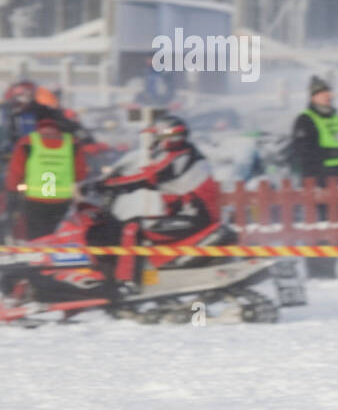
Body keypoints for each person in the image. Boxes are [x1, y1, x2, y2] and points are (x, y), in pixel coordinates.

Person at [85, 114, 221, 293]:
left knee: (132, 228)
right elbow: (148, 175)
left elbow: (148, 176)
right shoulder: (185, 153)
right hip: (191, 212)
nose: (155, 141)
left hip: (195, 215)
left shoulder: (180, 156)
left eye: (157, 136)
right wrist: (115, 182)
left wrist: (107, 184)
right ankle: (145, 274)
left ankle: (127, 282)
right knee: (139, 227)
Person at [289, 76, 338, 278]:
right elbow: (303, 152)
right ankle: (318, 270)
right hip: (318, 180)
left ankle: (331, 268)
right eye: (323, 93)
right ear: (314, 97)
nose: (328, 97)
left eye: (328, 93)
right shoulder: (305, 120)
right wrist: (318, 172)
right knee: (320, 225)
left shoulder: (336, 118)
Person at [4, 112, 88, 240]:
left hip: (35, 200)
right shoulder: (72, 143)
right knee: (59, 236)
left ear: (38, 126)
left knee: (37, 236)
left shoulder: (28, 142)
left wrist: (12, 191)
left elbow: (15, 171)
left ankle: (39, 257)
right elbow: (80, 173)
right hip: (62, 201)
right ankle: (55, 257)